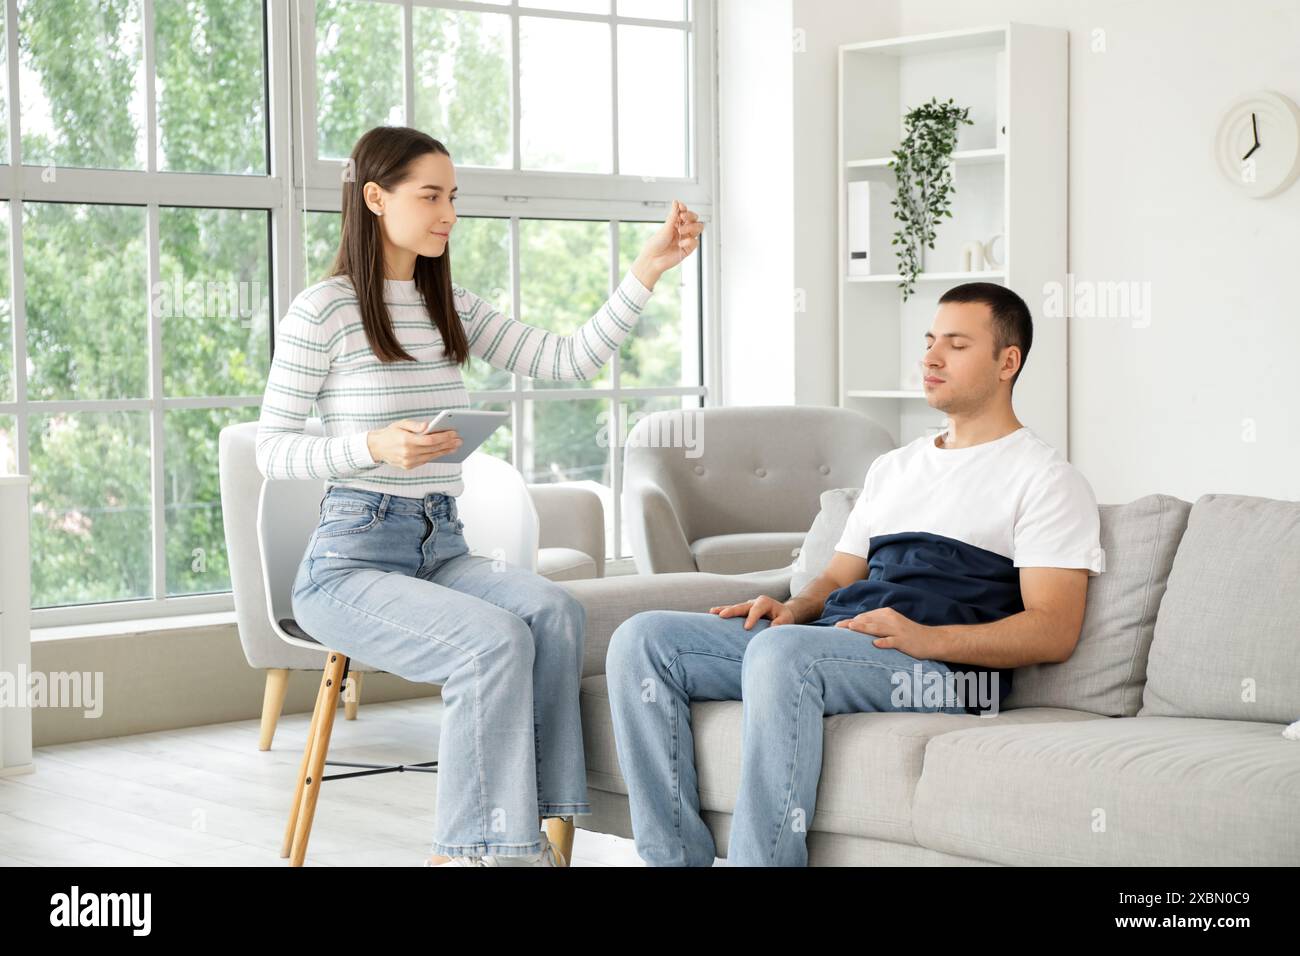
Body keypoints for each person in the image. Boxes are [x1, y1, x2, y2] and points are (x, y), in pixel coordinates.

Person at [255, 125, 703, 867]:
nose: (448, 213)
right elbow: (271, 448)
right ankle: (495, 853)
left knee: (555, 612)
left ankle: (538, 831)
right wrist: (372, 446)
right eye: (430, 195)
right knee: (493, 642)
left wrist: (647, 271)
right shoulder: (323, 311)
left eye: (452, 197)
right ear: (375, 197)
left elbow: (567, 359)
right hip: (349, 562)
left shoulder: (447, 304)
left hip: (440, 544)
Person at [605, 282, 1105, 866]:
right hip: (837, 644)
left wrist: (927, 640)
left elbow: (1053, 628)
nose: (931, 357)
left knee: (784, 654)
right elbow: (837, 576)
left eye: (957, 344)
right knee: (643, 640)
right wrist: (791, 607)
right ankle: (673, 860)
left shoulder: (1044, 478)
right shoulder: (895, 467)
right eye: (929, 341)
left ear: (1007, 362)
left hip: (945, 673)